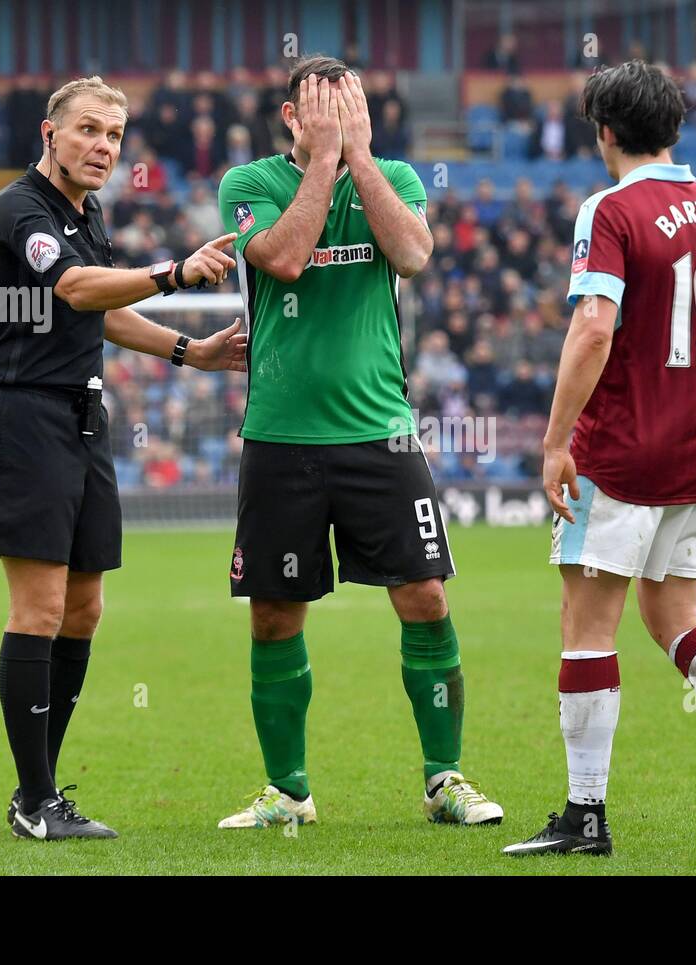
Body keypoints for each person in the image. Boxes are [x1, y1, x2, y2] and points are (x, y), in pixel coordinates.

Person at [503, 60, 696, 858]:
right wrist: (686, 407)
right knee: (676, 614)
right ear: (673, 127)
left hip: (620, 452)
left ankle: (585, 816)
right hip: (695, 451)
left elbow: (593, 327)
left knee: (587, 624)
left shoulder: (611, 208)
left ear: (606, 131)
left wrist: (556, 439)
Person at [215, 57, 503, 830]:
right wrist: (323, 162)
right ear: (291, 116)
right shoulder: (248, 183)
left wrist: (361, 159)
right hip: (281, 434)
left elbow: (412, 254)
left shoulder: (395, 176)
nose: (339, 120)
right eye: (323, 108)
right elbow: (284, 258)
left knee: (426, 597)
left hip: (382, 431)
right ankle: (288, 790)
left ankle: (444, 778)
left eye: (352, 107)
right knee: (274, 615)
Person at [0, 75, 247, 841]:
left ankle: (38, 792)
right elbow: (75, 287)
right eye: (89, 130)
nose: (103, 146)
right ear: (49, 133)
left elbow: (103, 310)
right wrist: (174, 272)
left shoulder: (87, 212)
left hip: (84, 421)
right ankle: (35, 801)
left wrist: (191, 350)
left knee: (85, 609)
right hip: (25, 419)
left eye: (115, 135)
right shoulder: (18, 208)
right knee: (39, 608)